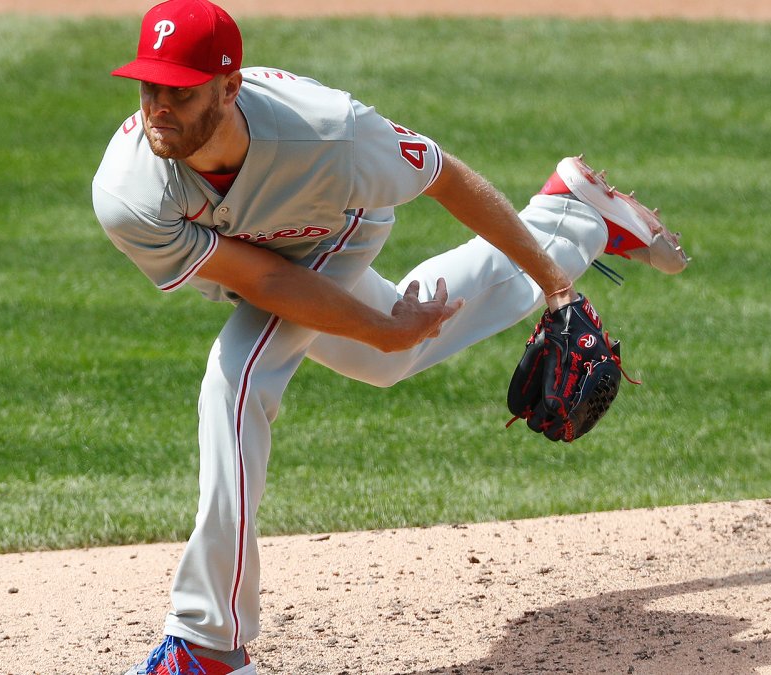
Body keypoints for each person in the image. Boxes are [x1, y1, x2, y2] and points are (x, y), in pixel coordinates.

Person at [91, 1, 688, 672]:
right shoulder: (129, 188)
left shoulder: (331, 133)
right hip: (268, 256)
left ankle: (207, 642)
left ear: (229, 88)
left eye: (181, 89)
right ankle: (569, 217)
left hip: (340, 223)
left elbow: (443, 175)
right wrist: (383, 330)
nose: (158, 106)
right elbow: (267, 282)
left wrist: (557, 289)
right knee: (391, 357)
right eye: (149, 85)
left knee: (236, 378)